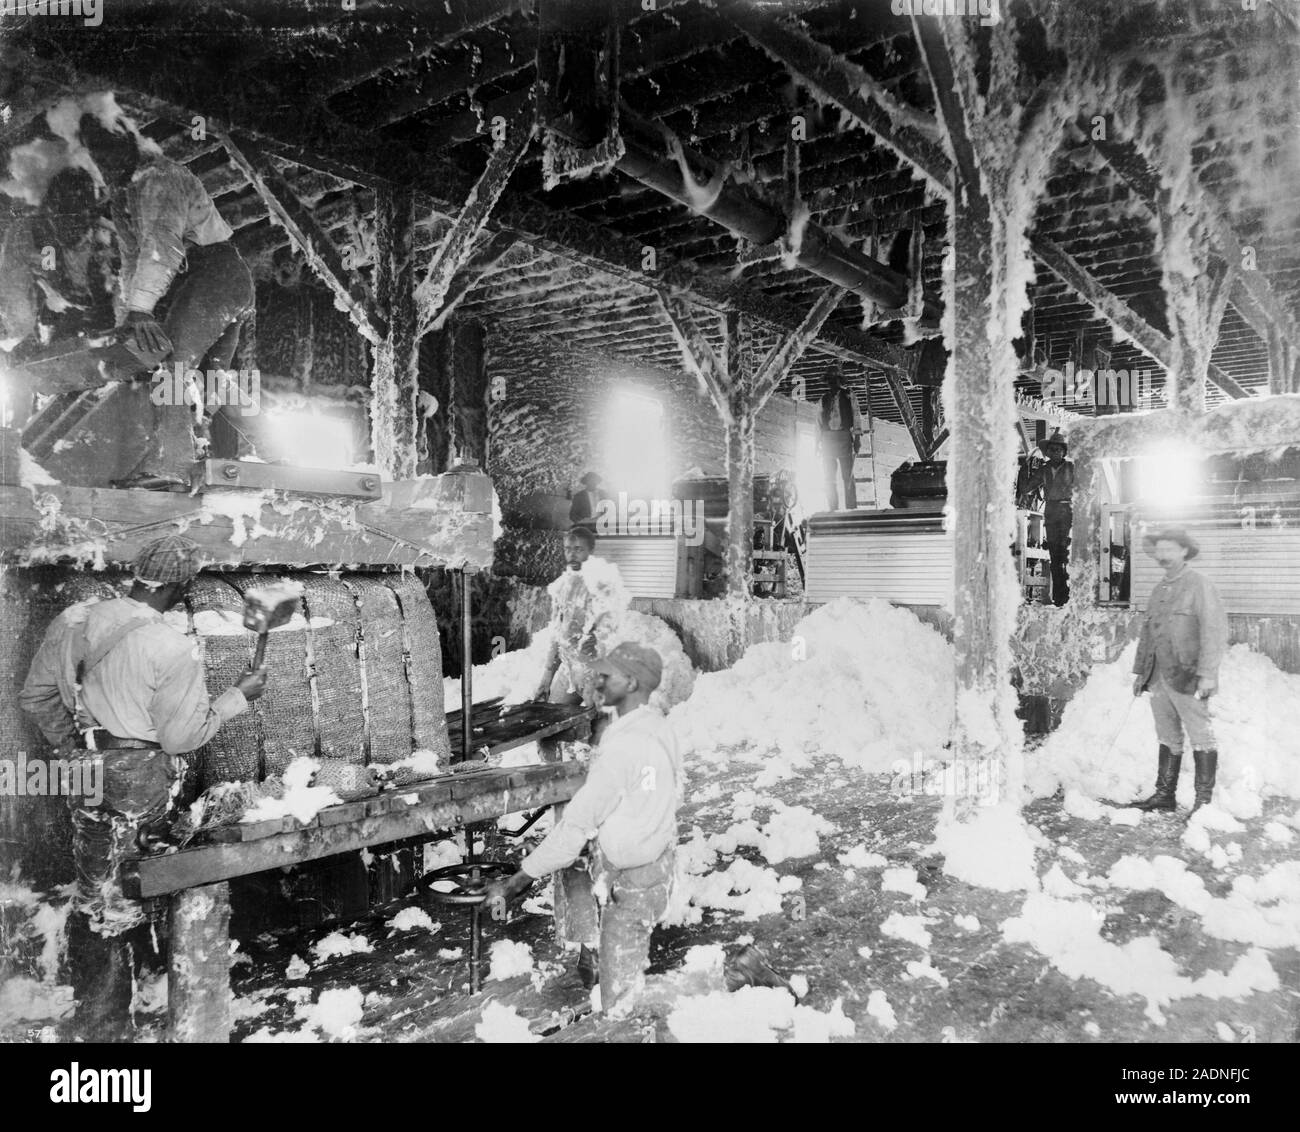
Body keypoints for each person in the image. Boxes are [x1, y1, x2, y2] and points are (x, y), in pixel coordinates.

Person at [19, 534, 268, 1039]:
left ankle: (103, 1012)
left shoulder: (75, 619)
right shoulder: (172, 646)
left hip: (84, 766)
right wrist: (237, 697)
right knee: (133, 885)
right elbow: (183, 737)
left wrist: (75, 747)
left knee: (96, 881)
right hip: (139, 775)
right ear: (179, 585)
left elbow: (37, 697)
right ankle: (118, 1021)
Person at [483, 643, 679, 1014]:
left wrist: (511, 885)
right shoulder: (654, 726)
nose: (598, 681)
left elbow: (571, 832)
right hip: (651, 866)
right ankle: (596, 949)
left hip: (633, 880)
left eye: (607, 676)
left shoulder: (623, 749)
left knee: (619, 1001)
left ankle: (735, 976)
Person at [77, 109, 255, 489]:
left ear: (128, 143)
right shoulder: (124, 196)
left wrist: (141, 309)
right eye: (97, 155)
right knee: (212, 377)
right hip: (212, 279)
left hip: (216, 275)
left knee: (170, 364)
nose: (104, 163)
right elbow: (131, 260)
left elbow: (162, 246)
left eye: (108, 151)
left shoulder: (159, 178)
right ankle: (275, 447)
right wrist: (129, 314)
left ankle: (170, 467)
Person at [1128, 527, 1228, 813]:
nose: (1163, 556)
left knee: (1201, 736)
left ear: (1184, 551)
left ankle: (1203, 803)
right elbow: (1148, 634)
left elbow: (1214, 631)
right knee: (1167, 735)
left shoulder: (1199, 585)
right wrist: (1141, 673)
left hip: (1189, 676)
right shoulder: (1159, 589)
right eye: (1160, 551)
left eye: (1170, 550)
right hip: (1159, 677)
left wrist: (1208, 673)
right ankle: (1164, 795)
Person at [533, 526, 611, 706]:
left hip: (595, 671)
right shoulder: (562, 586)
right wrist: (547, 674)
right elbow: (557, 634)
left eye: (578, 549)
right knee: (553, 717)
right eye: (568, 549)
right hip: (569, 669)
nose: (572, 555)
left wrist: (596, 679)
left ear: (591, 551)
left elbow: (608, 638)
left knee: (597, 725)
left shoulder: (601, 586)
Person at [1019, 430, 1074, 605]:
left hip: (1067, 510)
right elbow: (1027, 487)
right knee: (1054, 555)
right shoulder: (1043, 470)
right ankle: (1059, 598)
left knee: (1064, 554)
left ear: (1064, 452)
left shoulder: (1072, 468)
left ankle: (1067, 596)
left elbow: (1084, 488)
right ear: (1048, 452)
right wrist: (1022, 472)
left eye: (1059, 449)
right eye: (1052, 449)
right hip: (1051, 511)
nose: (1056, 452)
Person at [818, 367, 862, 511]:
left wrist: (857, 438)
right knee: (829, 478)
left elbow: (856, 415)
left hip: (843, 436)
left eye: (835, 380)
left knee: (847, 476)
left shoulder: (849, 395)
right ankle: (833, 509)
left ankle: (851, 508)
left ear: (840, 381)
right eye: (830, 381)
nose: (832, 383)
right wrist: (817, 443)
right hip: (827, 439)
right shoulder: (823, 399)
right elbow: (818, 422)